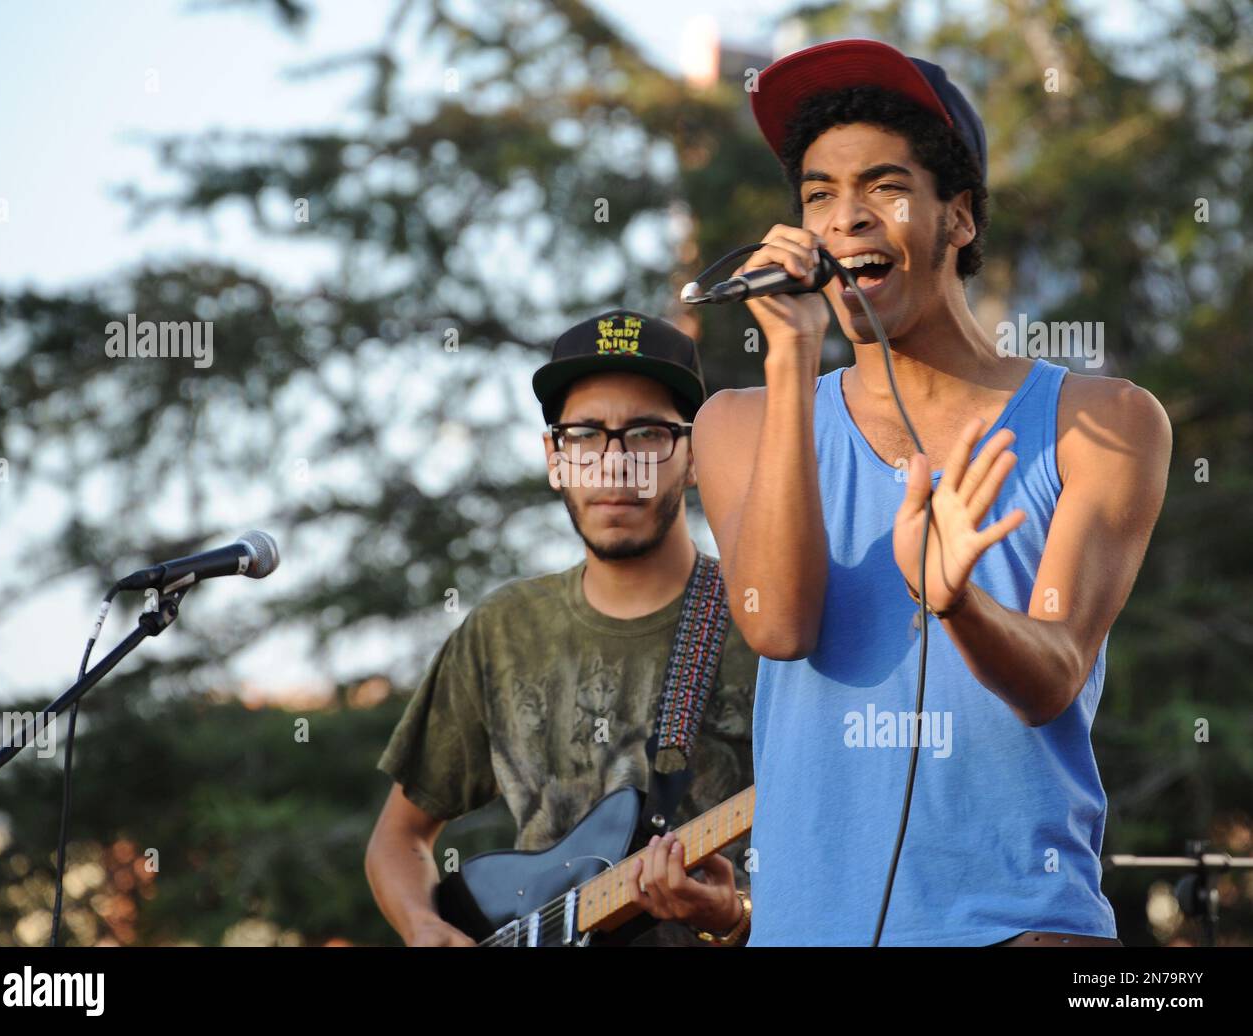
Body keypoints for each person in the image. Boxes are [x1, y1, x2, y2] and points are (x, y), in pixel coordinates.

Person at [693, 40, 1171, 946]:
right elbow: (778, 626)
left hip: (1023, 929)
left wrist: (956, 605)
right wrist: (792, 357)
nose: (846, 220)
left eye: (884, 186)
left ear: (958, 219)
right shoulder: (738, 422)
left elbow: (1054, 678)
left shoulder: (1103, 420)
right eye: (819, 195)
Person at [366, 309, 758, 946]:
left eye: (647, 435)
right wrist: (420, 924)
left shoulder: (764, 622)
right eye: (584, 435)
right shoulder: (502, 628)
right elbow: (399, 838)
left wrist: (734, 916)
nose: (613, 464)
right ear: (555, 455)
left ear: (693, 457)